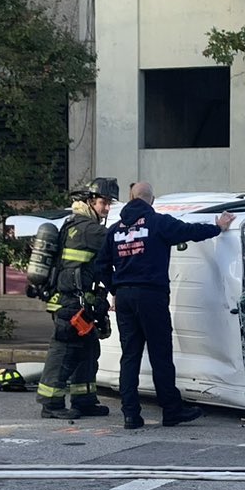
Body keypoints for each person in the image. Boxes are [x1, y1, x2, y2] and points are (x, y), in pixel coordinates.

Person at [100, 181, 231, 429]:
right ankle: (171, 411)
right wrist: (217, 227)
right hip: (151, 296)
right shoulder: (159, 223)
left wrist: (115, 289)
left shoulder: (115, 230)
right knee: (160, 354)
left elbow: (101, 265)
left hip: (125, 297)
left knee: (130, 356)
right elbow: (189, 231)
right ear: (152, 199)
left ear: (130, 198)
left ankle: (131, 415)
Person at [36, 177, 118, 421]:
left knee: (88, 350)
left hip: (76, 302)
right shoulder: (88, 229)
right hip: (71, 304)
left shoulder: (73, 224)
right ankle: (51, 402)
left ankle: (84, 400)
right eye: (104, 202)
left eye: (109, 203)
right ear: (90, 201)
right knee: (64, 352)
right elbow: (116, 243)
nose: (107, 208)